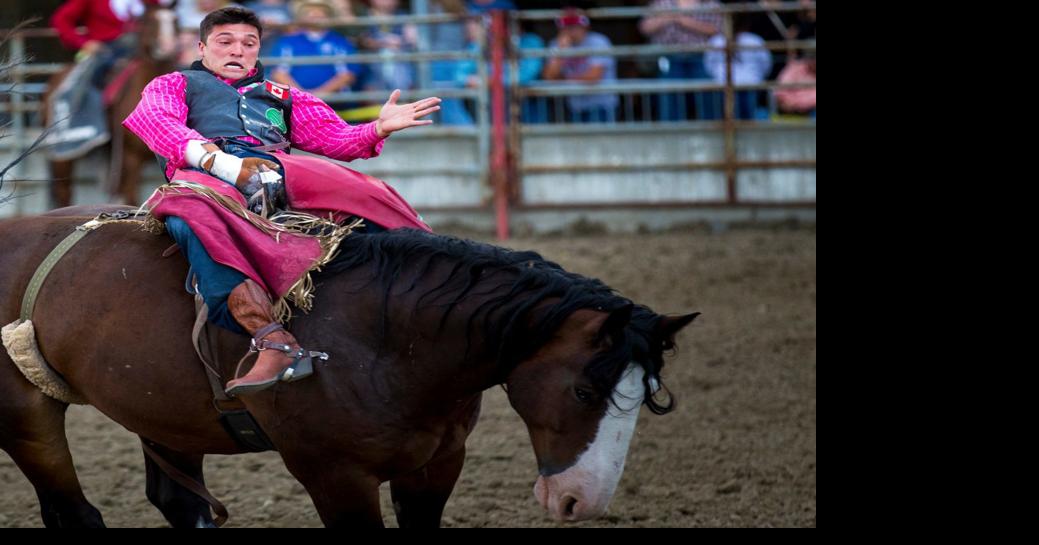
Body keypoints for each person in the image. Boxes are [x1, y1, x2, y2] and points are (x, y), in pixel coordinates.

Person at [122, 6, 441, 395]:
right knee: (189, 211)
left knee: (365, 191)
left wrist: (376, 127)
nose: (237, 50)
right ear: (203, 47)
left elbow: (336, 140)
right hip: (203, 177)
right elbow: (155, 120)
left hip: (278, 171)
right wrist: (219, 162)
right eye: (225, 42)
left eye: (248, 43)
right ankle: (272, 340)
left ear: (258, 51)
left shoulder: (284, 96)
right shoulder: (174, 84)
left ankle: (438, 280)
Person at [270, 1, 363, 103]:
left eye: (321, 11)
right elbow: (278, 73)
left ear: (328, 16)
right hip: (295, 102)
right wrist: (302, 95)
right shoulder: (288, 41)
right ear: (301, 17)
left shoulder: (340, 41)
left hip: (335, 103)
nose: (316, 14)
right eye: (309, 11)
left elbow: (348, 75)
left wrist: (320, 94)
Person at [542, 8, 618, 123]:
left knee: (601, 140)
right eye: (567, 27)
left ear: (586, 27)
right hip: (575, 107)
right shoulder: (557, 44)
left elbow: (594, 76)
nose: (571, 30)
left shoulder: (598, 41)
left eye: (575, 26)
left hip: (601, 105)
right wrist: (560, 52)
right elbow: (549, 76)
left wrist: (563, 81)